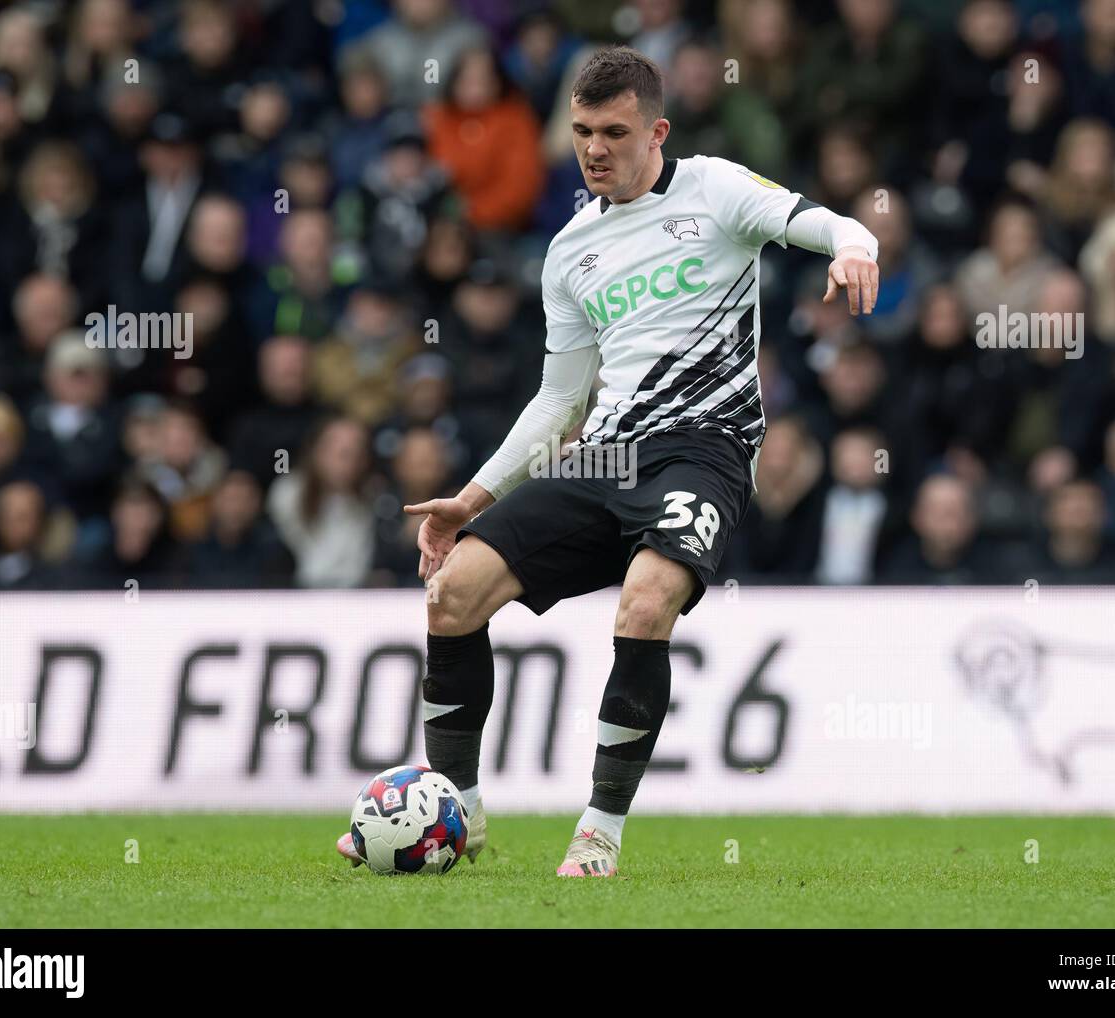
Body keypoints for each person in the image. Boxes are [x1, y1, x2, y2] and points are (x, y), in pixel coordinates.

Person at [333, 47, 880, 878]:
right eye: (583, 131)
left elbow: (830, 222)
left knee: (644, 603)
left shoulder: (716, 190)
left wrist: (853, 247)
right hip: (604, 456)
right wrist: (470, 499)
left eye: (614, 132)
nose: (594, 148)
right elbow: (559, 401)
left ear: (656, 131)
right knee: (452, 596)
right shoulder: (569, 249)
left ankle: (599, 832)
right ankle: (462, 814)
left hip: (704, 451)